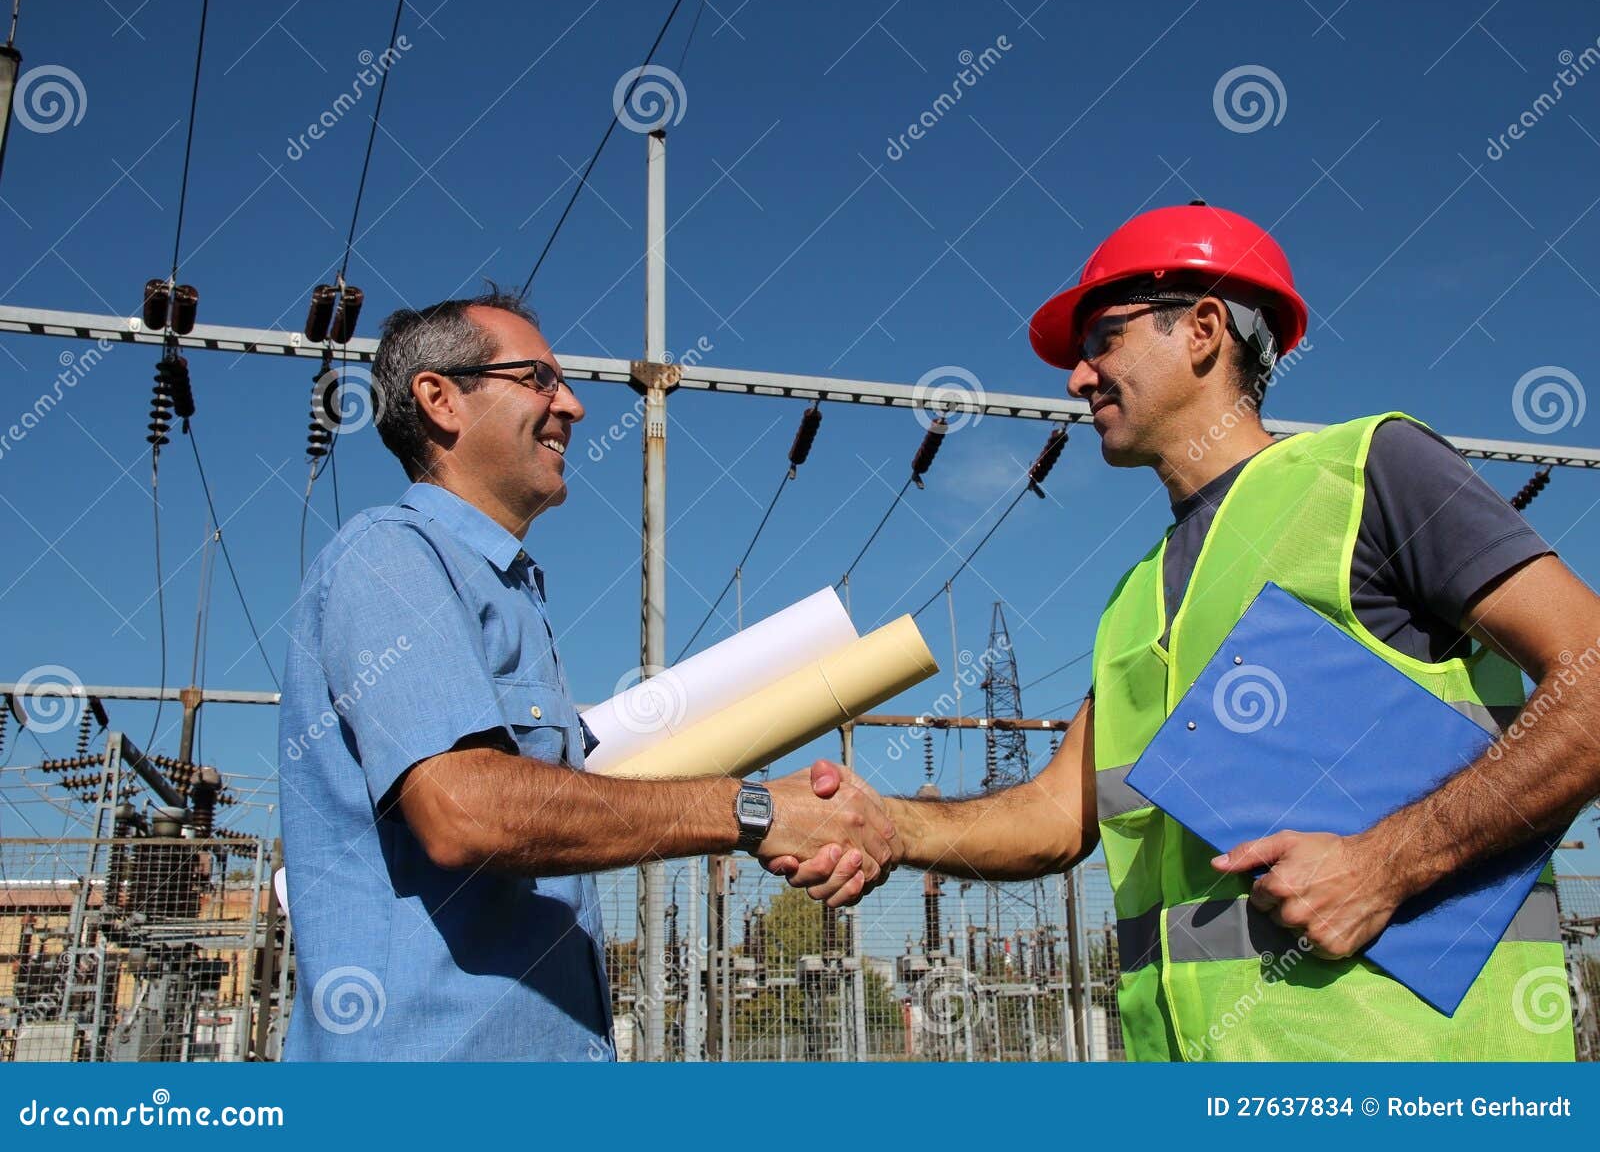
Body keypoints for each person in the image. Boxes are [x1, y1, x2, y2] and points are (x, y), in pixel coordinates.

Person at [772, 203, 1599, 1061]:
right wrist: (894, 826)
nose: (1077, 377)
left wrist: (1387, 862)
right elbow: (1059, 815)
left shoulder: (1369, 472)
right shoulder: (1134, 599)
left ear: (1203, 329)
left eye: (1104, 338)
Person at [279, 290, 898, 1061]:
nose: (569, 404)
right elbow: (466, 810)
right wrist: (753, 810)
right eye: (538, 377)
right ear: (439, 399)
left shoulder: (507, 593)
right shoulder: (392, 558)